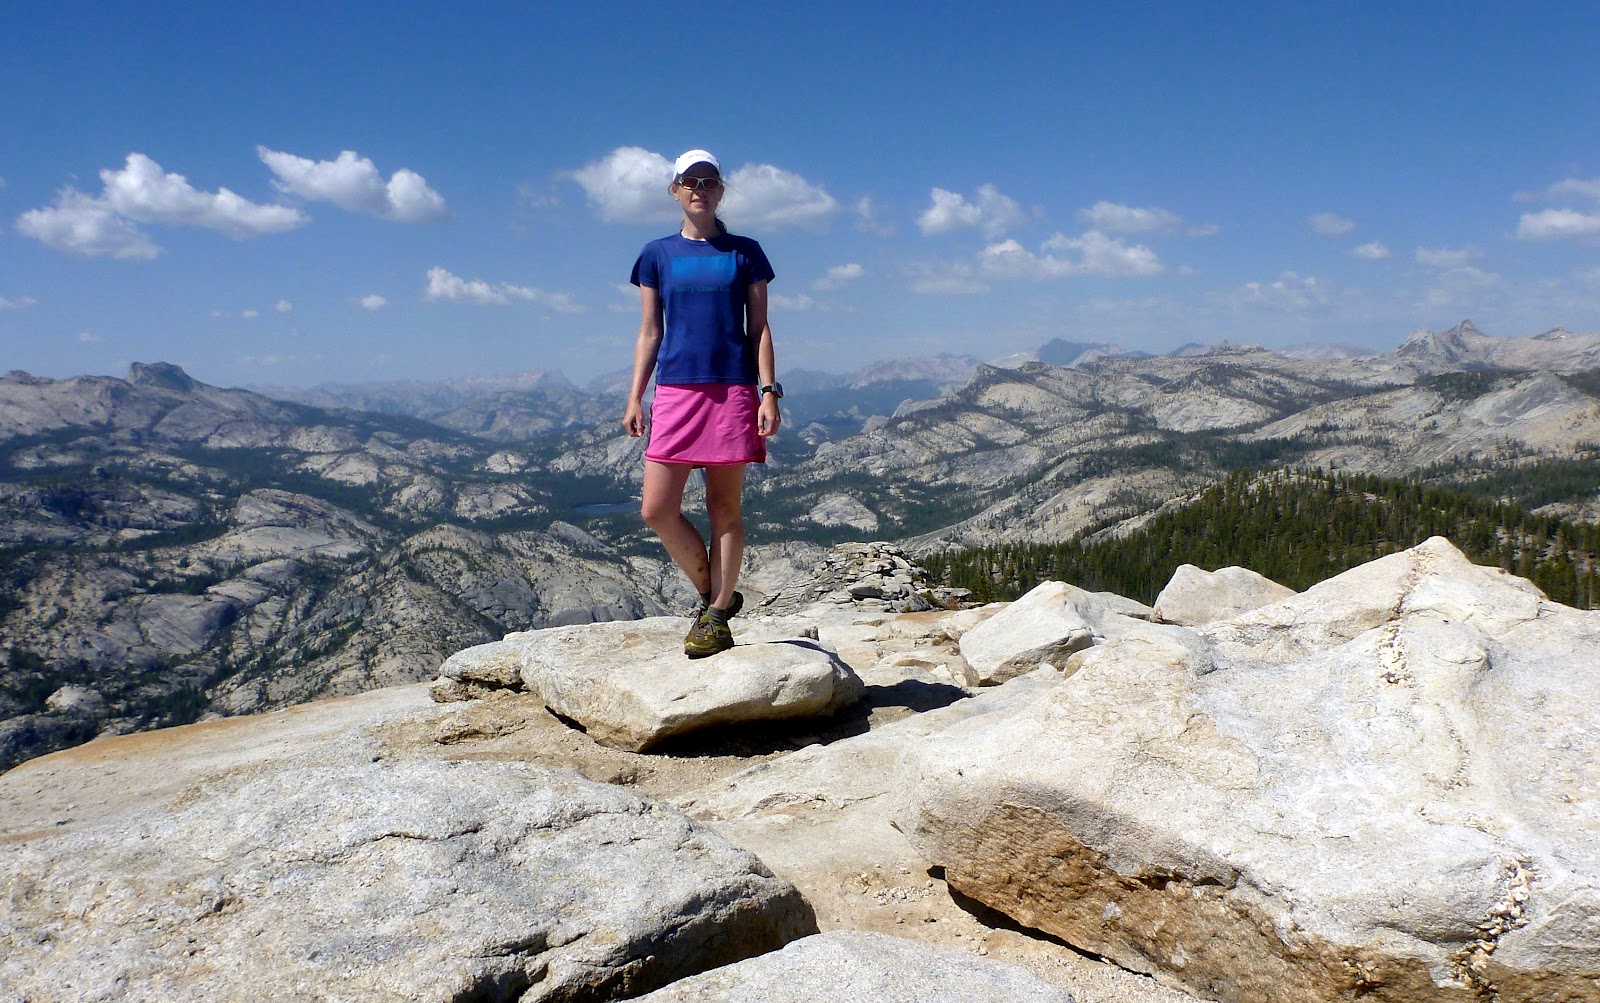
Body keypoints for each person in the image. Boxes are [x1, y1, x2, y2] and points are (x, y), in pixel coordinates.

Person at [624, 149, 783, 658]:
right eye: (690, 181)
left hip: (733, 390)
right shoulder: (656, 254)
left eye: (709, 182)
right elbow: (651, 331)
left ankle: (715, 617)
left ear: (720, 191)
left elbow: (758, 329)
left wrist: (768, 391)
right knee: (656, 508)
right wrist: (636, 395)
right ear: (675, 189)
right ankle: (714, 592)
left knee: (724, 507)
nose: (700, 189)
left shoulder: (745, 252)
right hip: (675, 391)